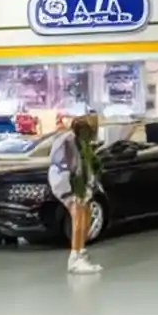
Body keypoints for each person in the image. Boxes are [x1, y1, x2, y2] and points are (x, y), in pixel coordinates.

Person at [49, 116, 102, 275]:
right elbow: (67, 167)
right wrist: (72, 190)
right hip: (66, 183)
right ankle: (75, 257)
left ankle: (80, 252)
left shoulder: (82, 143)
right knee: (78, 215)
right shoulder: (68, 141)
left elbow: (86, 166)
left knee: (85, 216)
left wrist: (89, 185)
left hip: (78, 184)